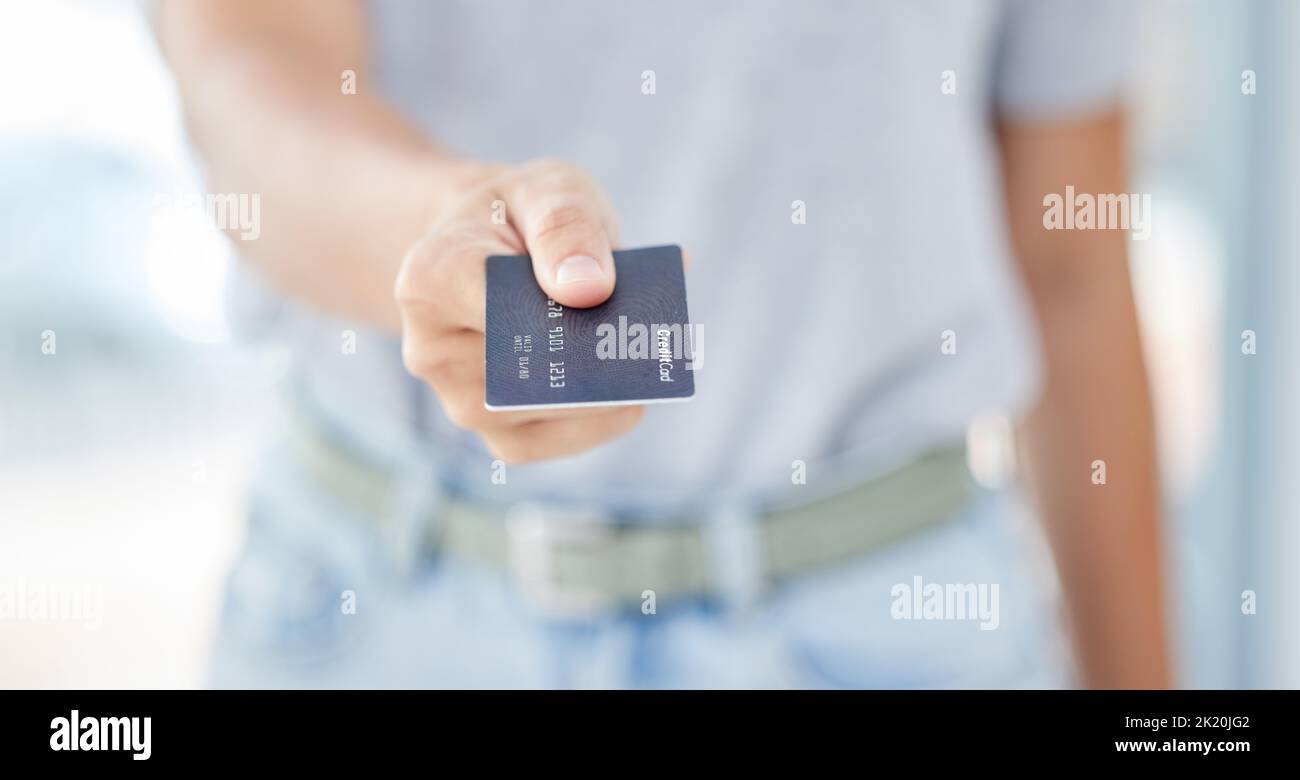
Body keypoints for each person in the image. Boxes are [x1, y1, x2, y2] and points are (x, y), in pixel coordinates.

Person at [158, 0, 1170, 688]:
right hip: (381, 610)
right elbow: (246, 75)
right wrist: (439, 227)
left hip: (883, 621)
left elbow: (1071, 269)